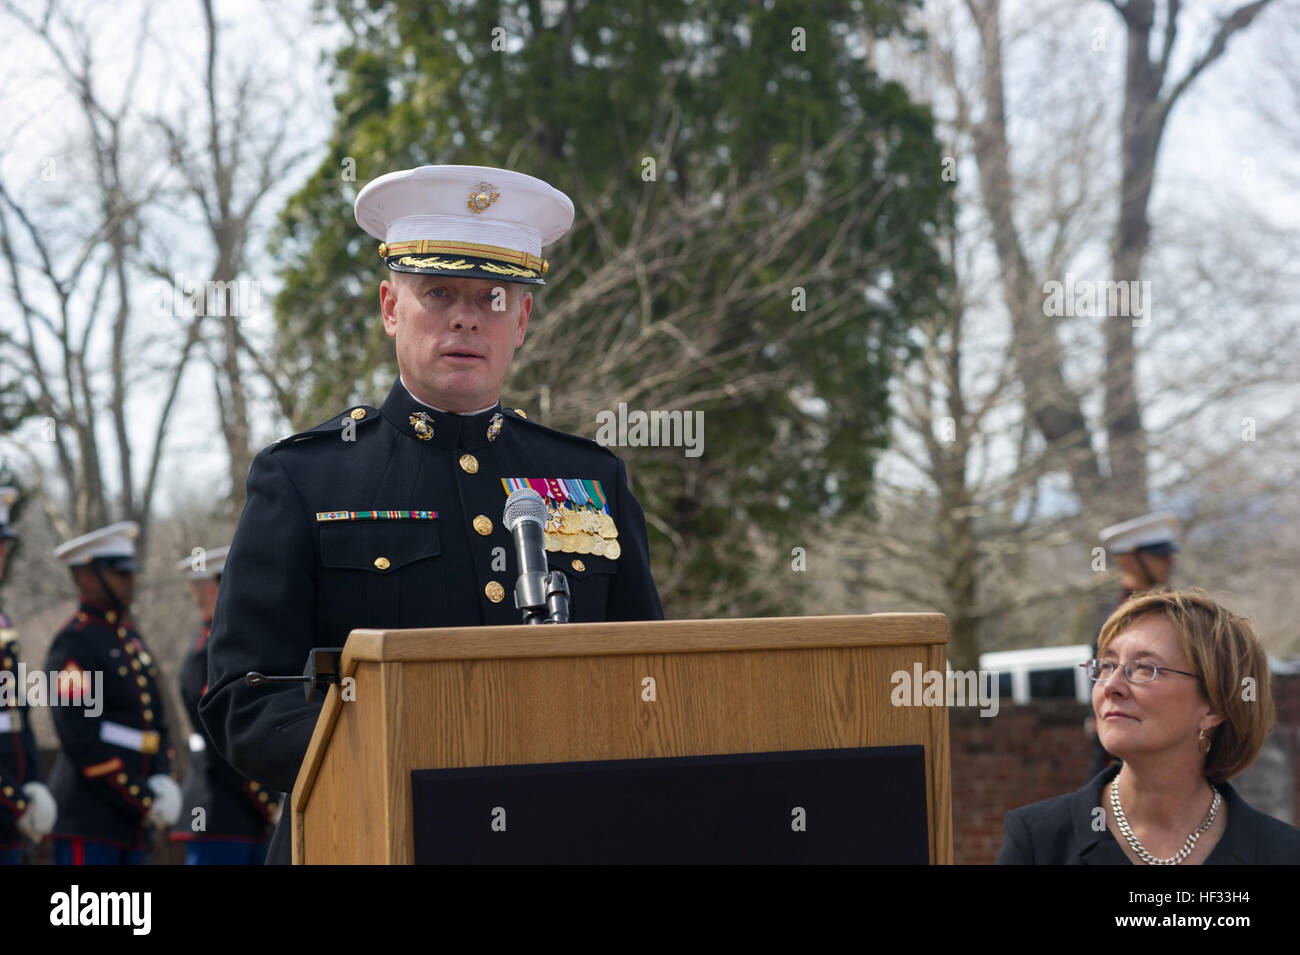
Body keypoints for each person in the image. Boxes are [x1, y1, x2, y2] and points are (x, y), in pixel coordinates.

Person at [201, 165, 665, 864]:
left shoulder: (588, 479)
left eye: (494, 296)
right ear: (391, 307)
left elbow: (648, 678)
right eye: (439, 291)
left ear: (523, 319)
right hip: (365, 838)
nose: (466, 316)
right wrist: (408, 754)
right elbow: (245, 697)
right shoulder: (305, 478)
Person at [999, 588, 1300, 864]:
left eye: (1144, 668)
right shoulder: (1038, 842)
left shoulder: (1281, 853)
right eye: (1106, 666)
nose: (1111, 686)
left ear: (1214, 706)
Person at [45, 521, 182, 864]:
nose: (130, 581)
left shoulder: (130, 641)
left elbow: (154, 724)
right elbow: (80, 737)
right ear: (87, 577)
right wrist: (141, 796)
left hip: (132, 823)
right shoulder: (75, 644)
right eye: (119, 574)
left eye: (130, 573)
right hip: (91, 820)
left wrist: (163, 775)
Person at [169, 545, 279, 863]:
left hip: (247, 816)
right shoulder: (205, 657)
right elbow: (222, 743)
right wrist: (267, 799)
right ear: (213, 591)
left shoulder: (233, 650)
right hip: (218, 815)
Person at [1084, 511, 1179, 779]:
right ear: (1128, 560)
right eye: (1158, 555)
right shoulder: (1120, 618)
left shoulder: (1173, 610)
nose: (1169, 561)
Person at [0, 487, 57, 863]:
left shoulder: (3, 620)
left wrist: (33, 782)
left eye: (5, 544)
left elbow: (16, 714)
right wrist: (16, 800)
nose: (4, 553)